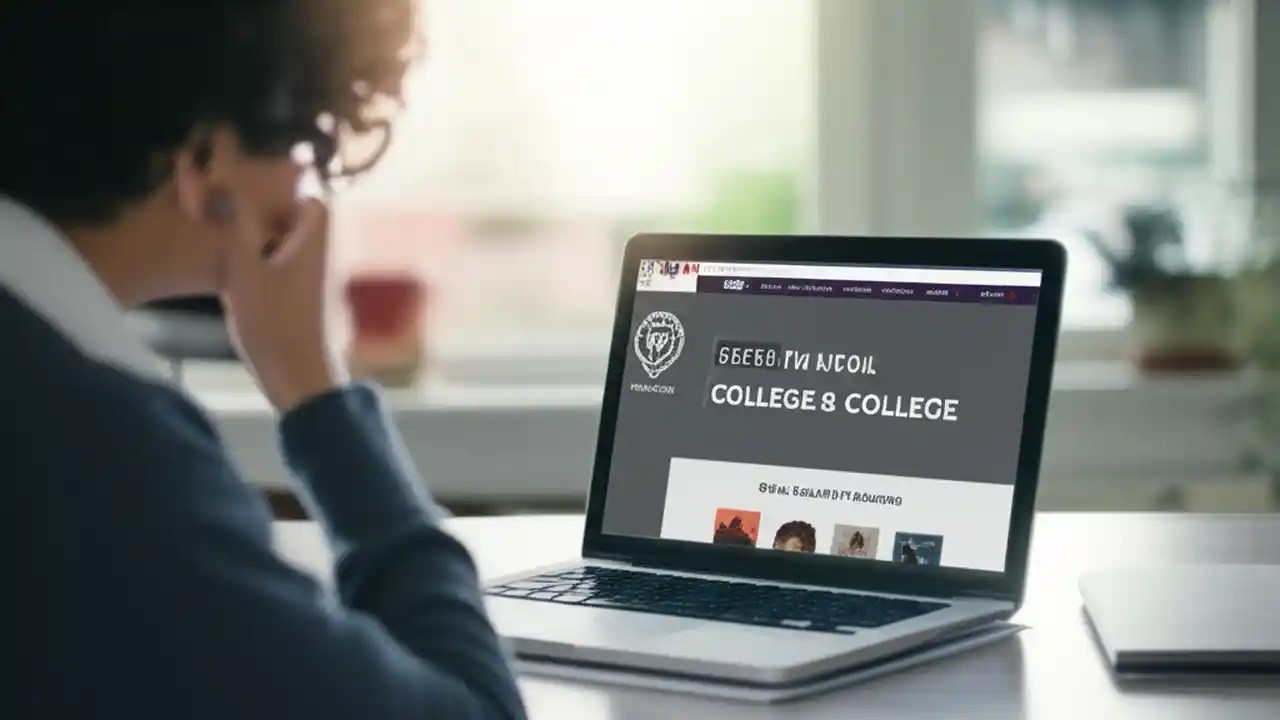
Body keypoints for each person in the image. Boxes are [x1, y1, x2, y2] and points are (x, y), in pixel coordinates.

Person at [3, 4, 524, 718]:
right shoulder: (107, 457)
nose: (302, 191)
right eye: (305, 147)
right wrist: (315, 390)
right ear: (204, 163)